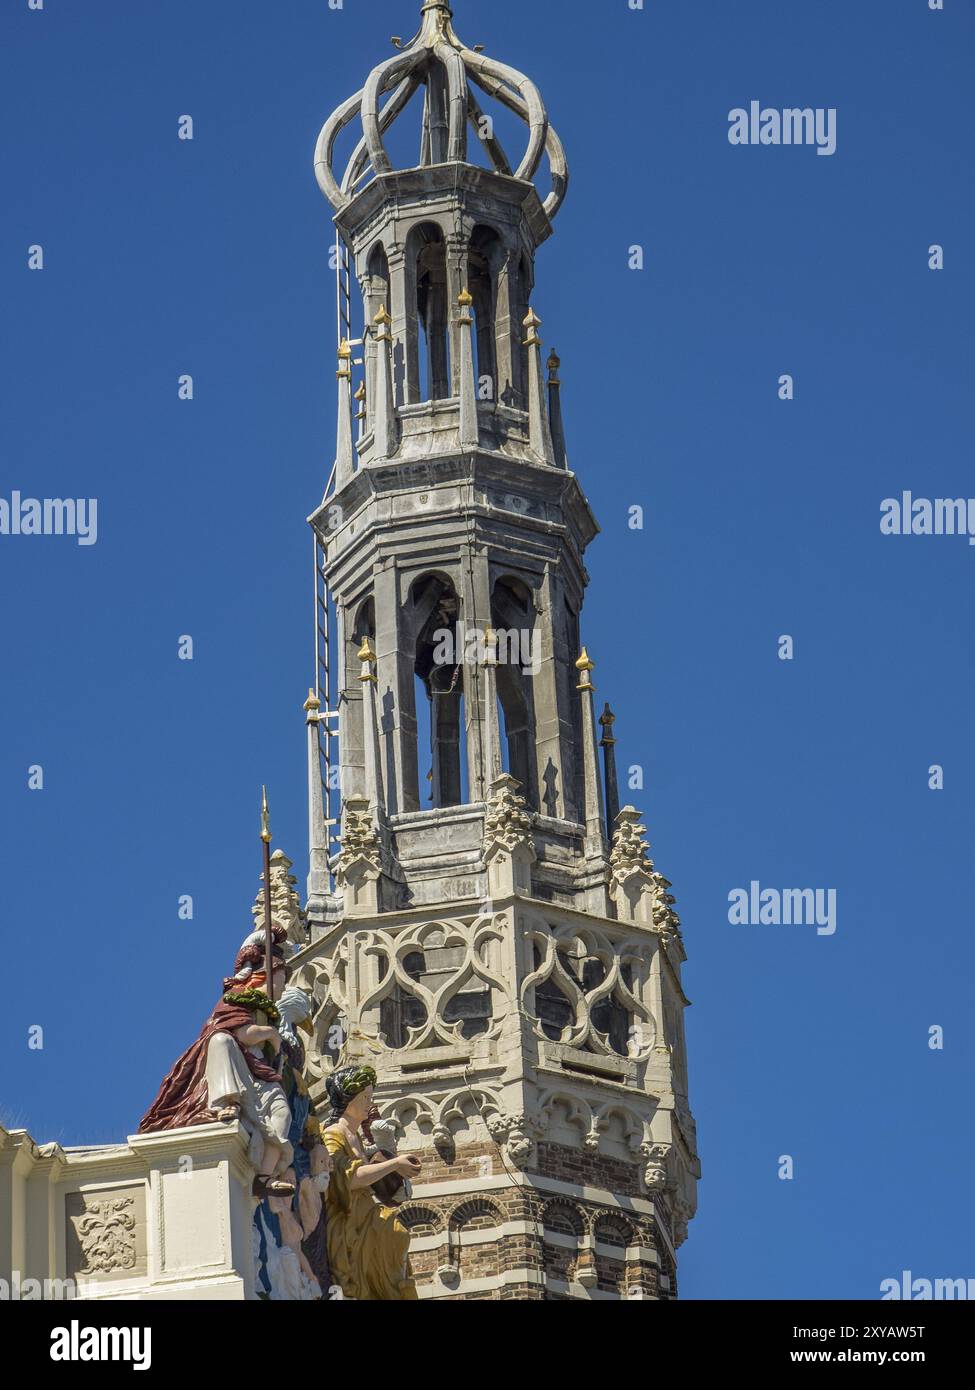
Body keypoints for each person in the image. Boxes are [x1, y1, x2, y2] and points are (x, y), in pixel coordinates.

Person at [138, 927, 295, 1199]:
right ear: (263, 978)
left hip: (261, 1077)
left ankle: (264, 1177)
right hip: (237, 1068)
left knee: (282, 1114)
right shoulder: (235, 1001)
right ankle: (227, 1104)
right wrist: (270, 1034)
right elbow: (241, 1033)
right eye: (280, 981)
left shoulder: (270, 1014)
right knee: (220, 1040)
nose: (282, 990)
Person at [321, 1064, 421, 1300]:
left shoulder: (354, 1136)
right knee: (394, 1235)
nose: (369, 1102)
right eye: (365, 1097)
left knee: (397, 1237)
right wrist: (394, 1165)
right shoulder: (333, 1134)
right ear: (350, 1099)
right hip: (349, 1219)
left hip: (365, 1214)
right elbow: (349, 1178)